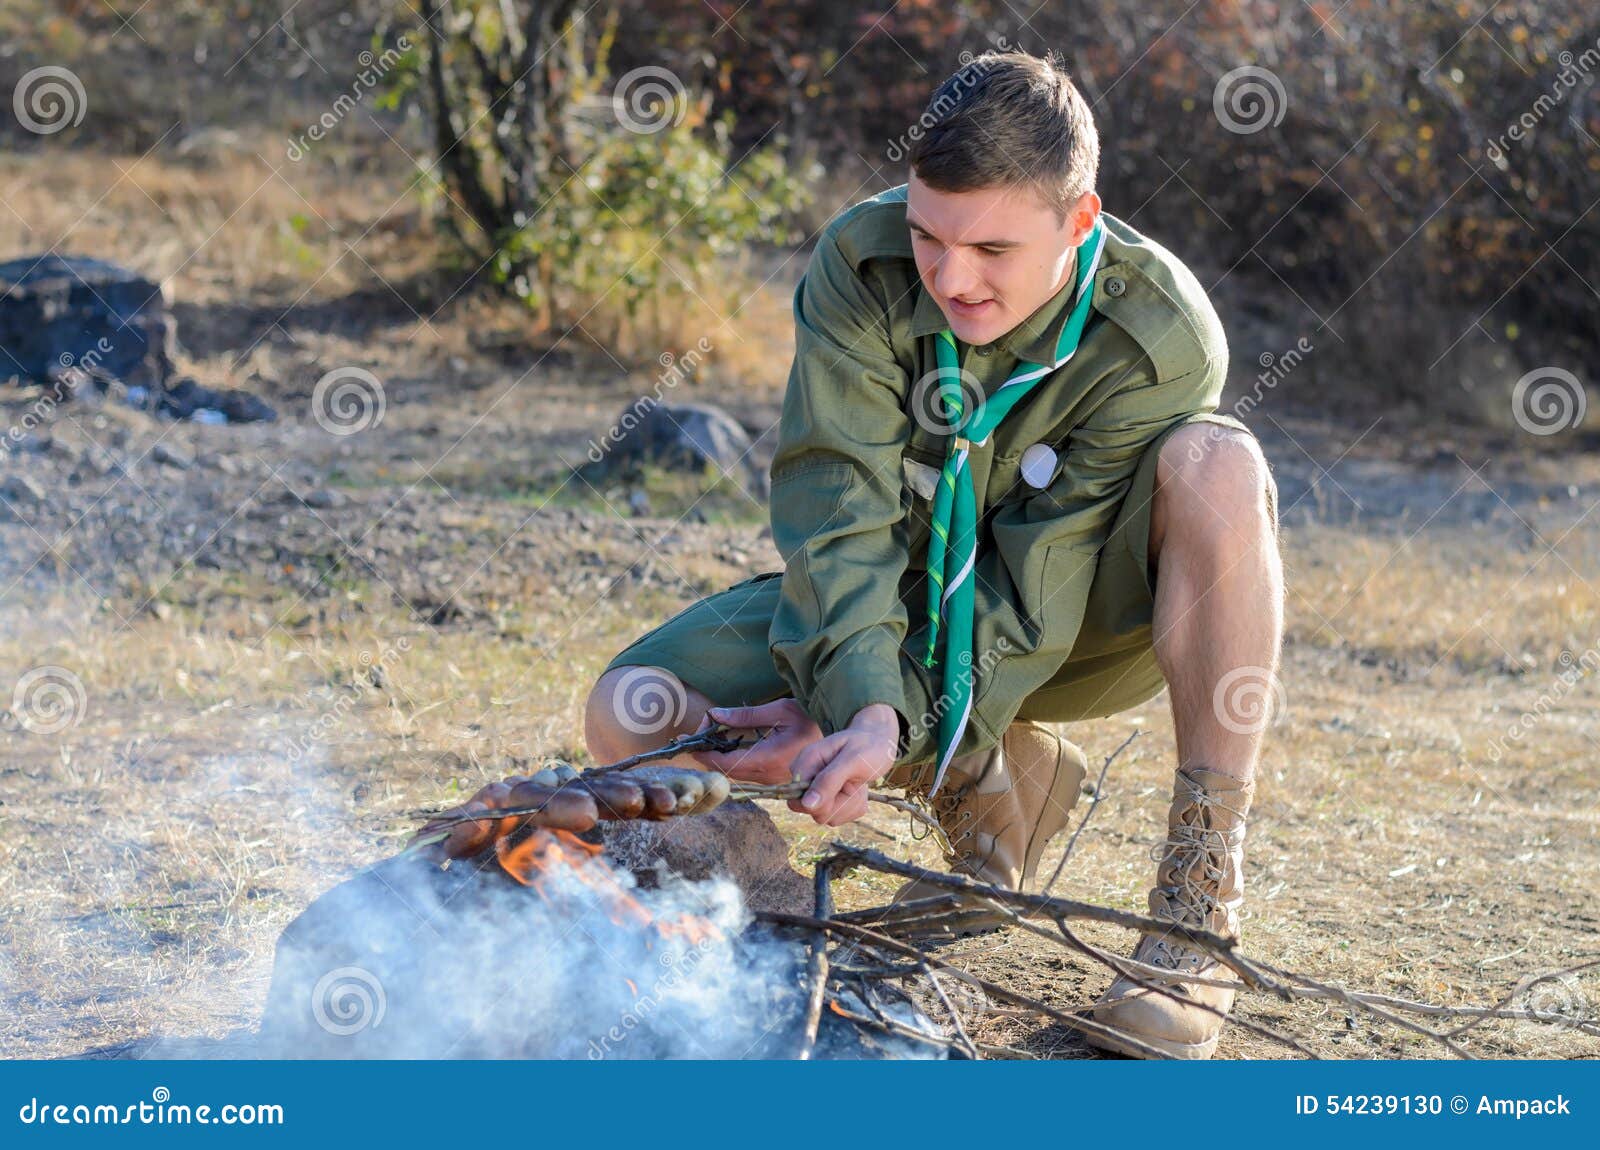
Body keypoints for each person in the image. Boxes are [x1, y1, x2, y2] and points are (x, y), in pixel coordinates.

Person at [584, 49, 1283, 1060]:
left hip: (1090, 623)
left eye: (993, 248)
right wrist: (860, 702)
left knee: (1217, 463)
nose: (952, 278)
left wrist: (888, 723)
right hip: (894, 613)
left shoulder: (1156, 336)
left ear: (1079, 222)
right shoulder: (860, 266)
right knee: (629, 711)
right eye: (928, 236)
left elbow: (1034, 597)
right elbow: (839, 518)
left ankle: (1194, 920)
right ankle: (817, 916)